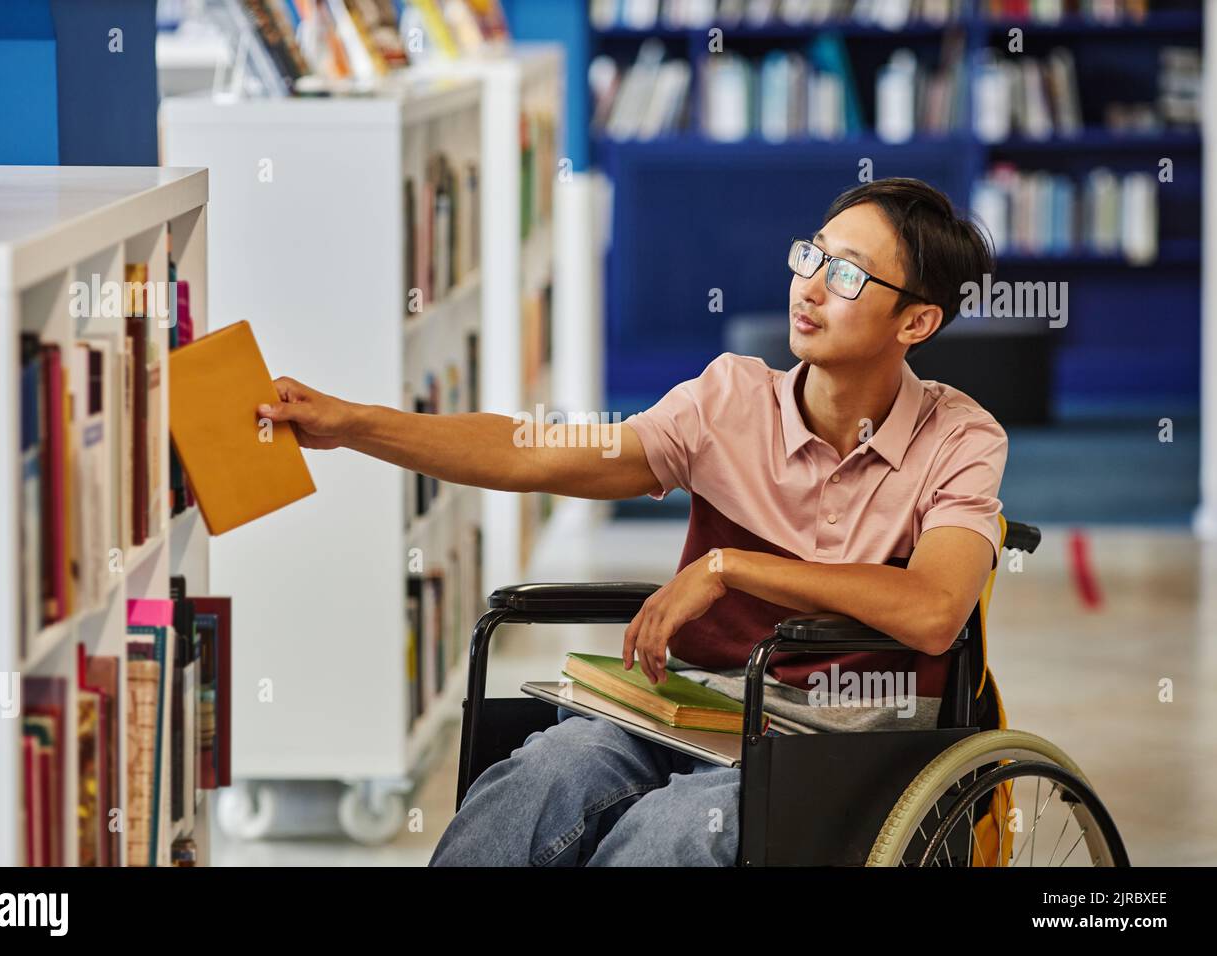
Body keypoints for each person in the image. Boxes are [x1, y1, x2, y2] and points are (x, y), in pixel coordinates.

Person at [257, 177, 1007, 866]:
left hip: (836, 752)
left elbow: (936, 612)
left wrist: (730, 567)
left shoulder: (960, 439)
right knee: (535, 784)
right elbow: (532, 454)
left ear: (918, 319)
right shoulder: (729, 402)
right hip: (690, 710)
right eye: (811, 255)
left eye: (846, 274)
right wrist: (355, 425)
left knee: (672, 833)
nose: (808, 286)